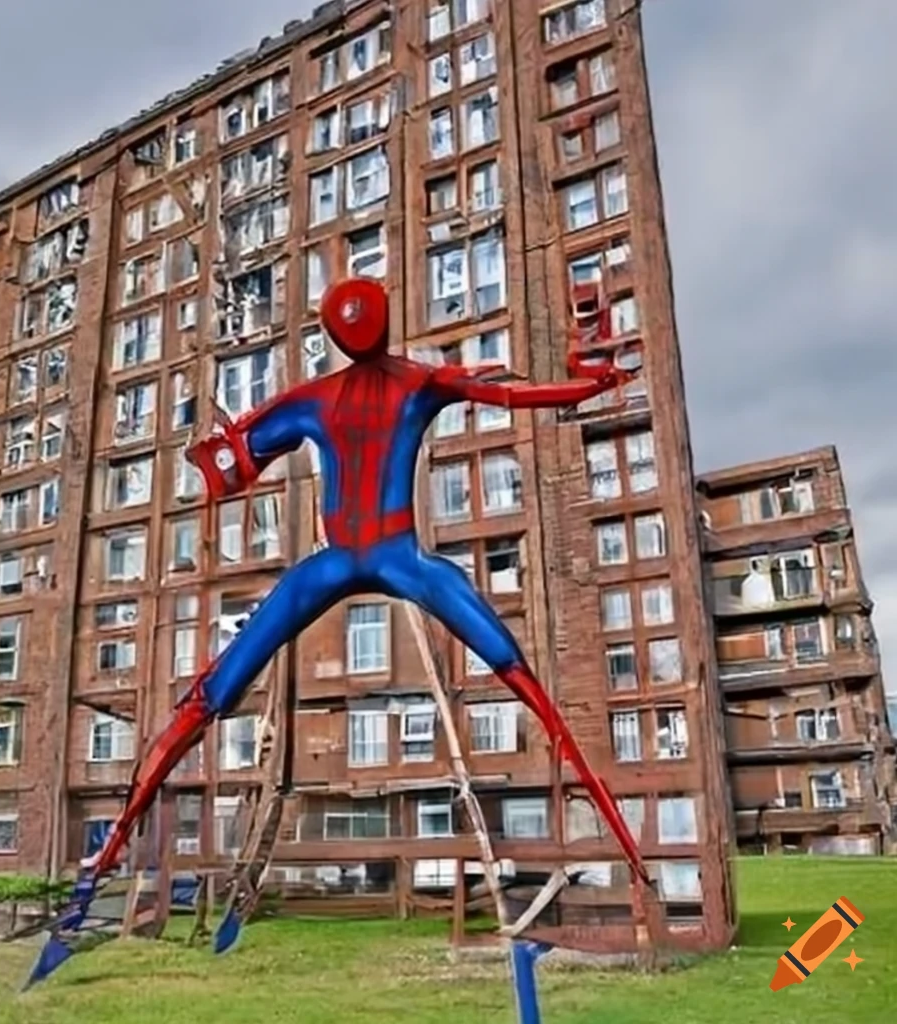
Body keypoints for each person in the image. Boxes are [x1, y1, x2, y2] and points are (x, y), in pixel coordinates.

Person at [71, 276, 646, 935]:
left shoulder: (324, 397)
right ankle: (107, 854)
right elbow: (515, 394)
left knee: (212, 693)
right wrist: (591, 381)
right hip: (389, 555)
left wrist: (214, 461)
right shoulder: (415, 384)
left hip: (348, 557)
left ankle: (106, 855)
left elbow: (231, 468)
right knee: (518, 676)